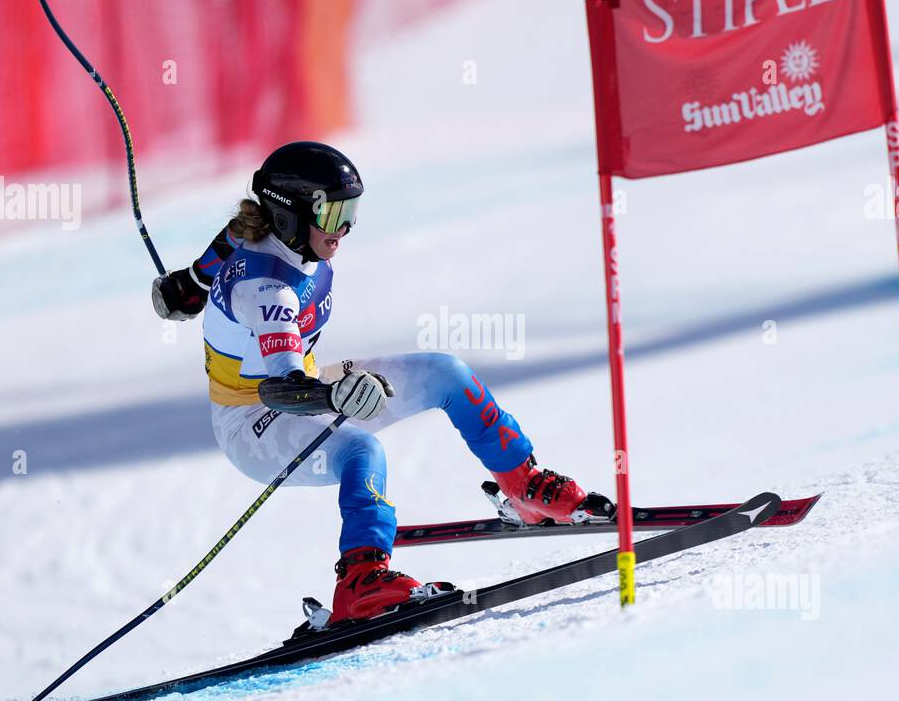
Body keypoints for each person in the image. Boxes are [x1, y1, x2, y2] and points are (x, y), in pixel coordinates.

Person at [152, 141, 609, 626]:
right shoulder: (268, 292)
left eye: (350, 212)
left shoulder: (263, 231)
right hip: (252, 420)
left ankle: (522, 487)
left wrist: (187, 287)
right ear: (288, 215)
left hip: (304, 386)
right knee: (360, 452)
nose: (343, 229)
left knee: (447, 373)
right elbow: (281, 389)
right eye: (331, 215)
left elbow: (219, 254)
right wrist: (333, 396)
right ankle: (360, 580)